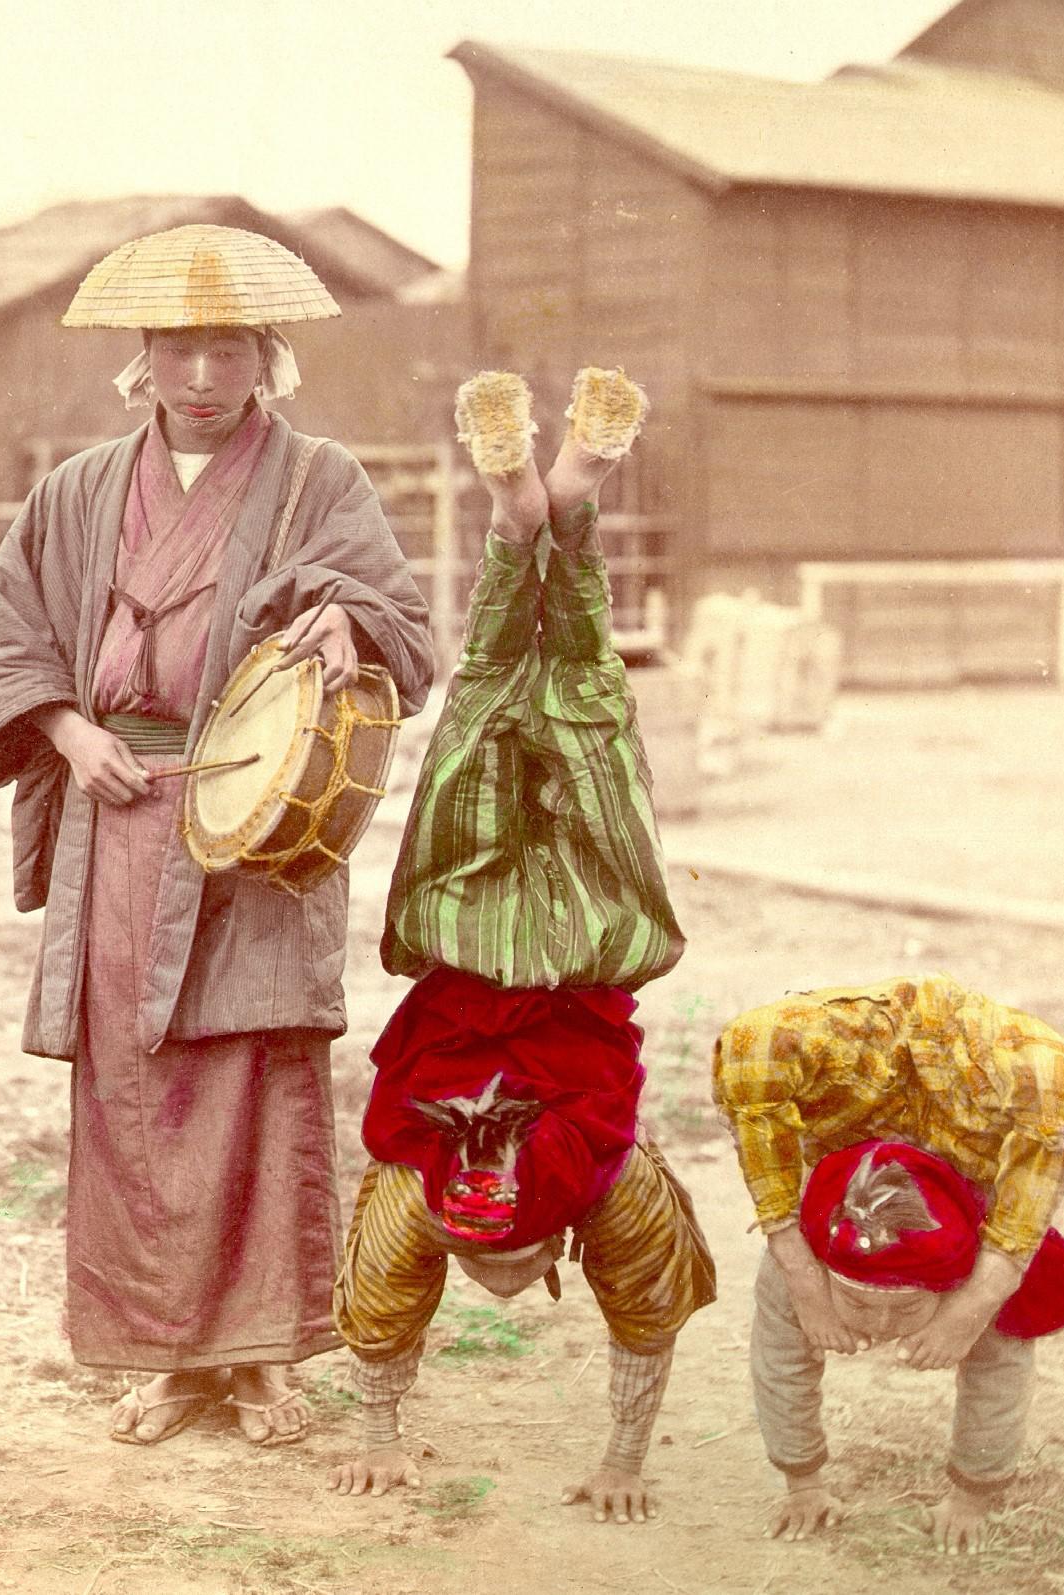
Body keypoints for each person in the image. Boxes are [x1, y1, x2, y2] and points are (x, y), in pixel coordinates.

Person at [0, 223, 436, 1446]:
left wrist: (343, 624)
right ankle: (165, 1357)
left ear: (266, 356)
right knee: (136, 1086)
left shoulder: (321, 480)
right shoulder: (73, 492)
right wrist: (63, 731)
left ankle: (261, 1355)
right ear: (142, 359)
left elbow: (401, 620)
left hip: (254, 827)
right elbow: (16, 637)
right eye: (178, 349)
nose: (203, 377)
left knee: (254, 1080)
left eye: (227, 350)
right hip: (115, 820)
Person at [332, 369, 711, 1521]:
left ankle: (548, 503)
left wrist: (383, 1433)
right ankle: (538, 509)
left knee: (585, 700)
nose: (499, 1277)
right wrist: (621, 1462)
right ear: (550, 1250)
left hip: (549, 927)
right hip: (493, 930)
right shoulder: (591, 1190)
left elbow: (377, 1313)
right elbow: (647, 1310)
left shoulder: (440, 1196)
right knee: (504, 694)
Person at [712, 976, 1064, 1553]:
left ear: (948, 1288)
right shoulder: (801, 1265)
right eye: (863, 1306)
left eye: (902, 1311)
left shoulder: (978, 1271)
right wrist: (803, 1482)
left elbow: (999, 1348)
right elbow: (780, 1363)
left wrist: (973, 1493)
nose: (878, 1332)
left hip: (987, 1109)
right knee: (756, 1048)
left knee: (1008, 1305)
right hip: (857, 1088)